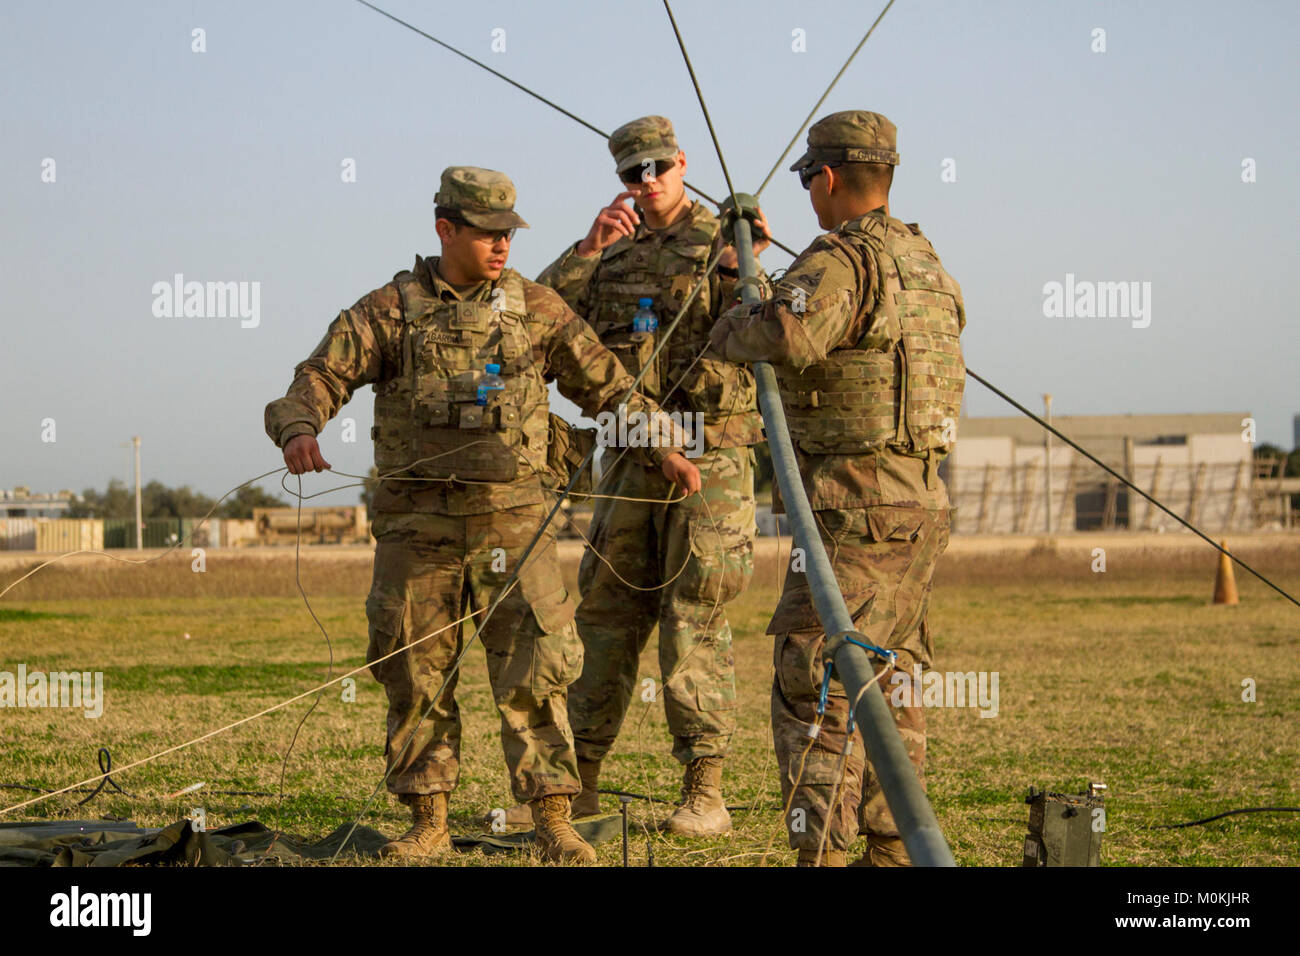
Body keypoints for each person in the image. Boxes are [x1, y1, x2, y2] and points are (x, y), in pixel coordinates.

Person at [264, 166, 701, 864]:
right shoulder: (391, 308)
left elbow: (608, 387)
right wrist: (298, 427)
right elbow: (319, 375)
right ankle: (427, 822)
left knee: (538, 671)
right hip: (418, 530)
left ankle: (552, 820)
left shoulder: (536, 307)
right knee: (414, 673)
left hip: (515, 525)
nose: (502, 247)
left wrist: (666, 451)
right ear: (446, 230)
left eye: (508, 234)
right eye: (487, 234)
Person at [707, 111, 966, 866]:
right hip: (916, 502)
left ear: (825, 179)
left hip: (853, 507)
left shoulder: (843, 260)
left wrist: (734, 312)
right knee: (888, 678)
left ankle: (817, 851)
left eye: (809, 183)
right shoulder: (927, 265)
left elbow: (787, 334)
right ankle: (892, 852)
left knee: (817, 683)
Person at [503, 116, 767, 835]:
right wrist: (588, 250)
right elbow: (528, 320)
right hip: (626, 455)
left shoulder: (727, 242)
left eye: (657, 167)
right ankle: (579, 785)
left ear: (683, 162)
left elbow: (765, 325)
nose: (647, 183)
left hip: (709, 457)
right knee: (605, 622)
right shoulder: (607, 254)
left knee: (696, 614)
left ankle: (704, 790)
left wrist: (748, 261)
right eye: (632, 173)